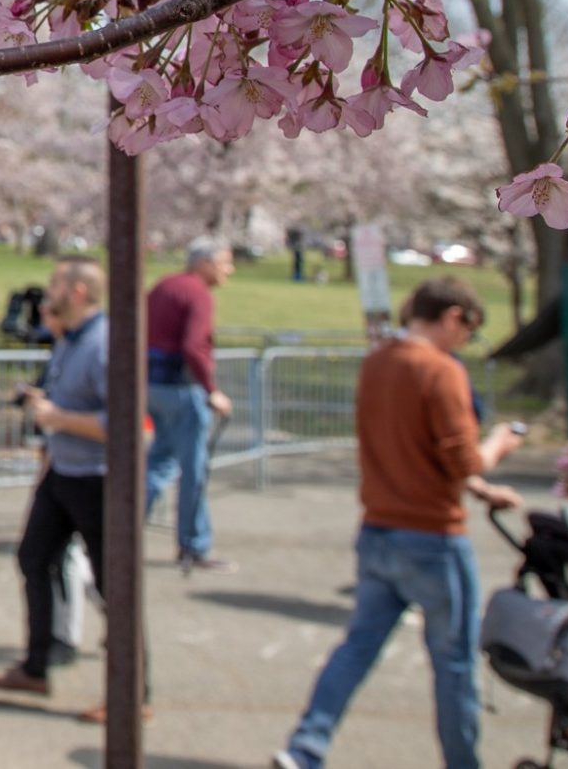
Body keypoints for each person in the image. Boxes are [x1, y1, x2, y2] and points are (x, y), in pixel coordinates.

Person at [272, 278, 523, 769]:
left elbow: (412, 448)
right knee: (454, 664)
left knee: (357, 648)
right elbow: (463, 459)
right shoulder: (440, 371)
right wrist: (499, 444)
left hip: (379, 530)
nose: (466, 342)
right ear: (452, 317)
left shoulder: (378, 361)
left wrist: (477, 488)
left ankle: (305, 748)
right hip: (433, 538)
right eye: (469, 331)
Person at [0, 257, 145, 721]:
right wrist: (45, 412)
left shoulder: (104, 344)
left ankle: (133, 695)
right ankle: (38, 664)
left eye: (54, 286)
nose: (45, 296)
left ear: (76, 292)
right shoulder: (69, 341)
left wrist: (59, 418)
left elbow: (126, 422)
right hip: (62, 473)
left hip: (98, 479)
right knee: (34, 558)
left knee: (115, 587)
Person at [144, 236, 237, 573]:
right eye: (224, 262)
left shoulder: (164, 286)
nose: (229, 270)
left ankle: (118, 532)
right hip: (182, 389)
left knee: (158, 463)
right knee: (193, 469)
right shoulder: (197, 293)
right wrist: (212, 390)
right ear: (204, 262)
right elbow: (194, 345)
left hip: (152, 385)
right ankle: (193, 544)